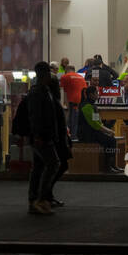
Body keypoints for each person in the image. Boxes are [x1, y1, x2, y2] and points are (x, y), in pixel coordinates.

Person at [27, 62, 61, 215]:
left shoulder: (41, 90)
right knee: (53, 164)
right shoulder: (38, 92)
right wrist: (39, 135)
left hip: (42, 135)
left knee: (39, 167)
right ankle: (41, 199)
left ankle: (34, 200)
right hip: (42, 136)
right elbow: (37, 116)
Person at [78, 85, 122, 172]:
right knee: (110, 140)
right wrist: (108, 130)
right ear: (91, 95)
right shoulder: (86, 106)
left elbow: (98, 121)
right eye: (96, 93)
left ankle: (112, 165)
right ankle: (109, 166)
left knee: (110, 139)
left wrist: (106, 131)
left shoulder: (92, 105)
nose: (98, 95)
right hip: (86, 134)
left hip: (93, 132)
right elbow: (94, 124)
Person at [45, 75, 72, 208]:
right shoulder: (51, 101)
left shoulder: (50, 100)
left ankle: (47, 195)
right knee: (58, 165)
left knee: (57, 165)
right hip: (55, 138)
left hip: (56, 138)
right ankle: (45, 195)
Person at [59, 62, 87, 141]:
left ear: (66, 70)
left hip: (72, 101)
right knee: (76, 120)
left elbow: (63, 92)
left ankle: (72, 138)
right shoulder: (81, 77)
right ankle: (75, 137)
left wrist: (64, 104)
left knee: (71, 120)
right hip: (81, 101)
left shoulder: (64, 77)